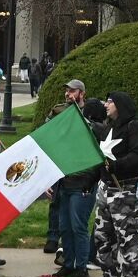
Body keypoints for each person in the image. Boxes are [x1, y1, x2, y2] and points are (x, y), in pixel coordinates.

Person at [93, 91, 138, 277]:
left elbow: (137, 156)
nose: (106, 105)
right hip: (105, 188)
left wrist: (116, 165)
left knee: (127, 236)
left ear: (120, 105)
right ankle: (110, 274)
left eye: (110, 101)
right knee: (101, 234)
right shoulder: (108, 128)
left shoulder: (135, 127)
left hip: (125, 189)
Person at [44, 77, 87, 261]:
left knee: (72, 205)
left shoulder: (87, 111)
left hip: (78, 161)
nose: (68, 94)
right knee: (56, 199)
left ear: (81, 93)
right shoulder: (58, 109)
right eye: (67, 91)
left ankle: (69, 246)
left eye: (72, 91)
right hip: (59, 158)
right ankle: (53, 237)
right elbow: (47, 130)